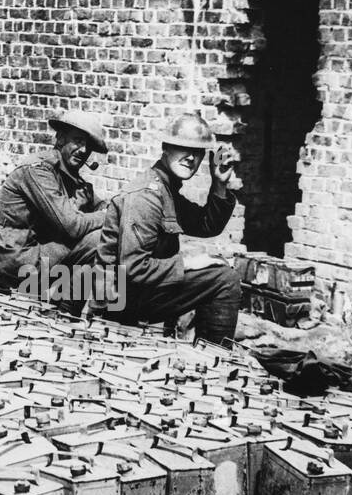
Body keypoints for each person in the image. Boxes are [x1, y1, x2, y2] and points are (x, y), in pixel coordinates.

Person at [95, 113, 242, 345]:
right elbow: (132, 269)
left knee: (220, 276)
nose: (191, 158)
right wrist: (189, 263)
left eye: (198, 151)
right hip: (117, 301)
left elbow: (206, 225)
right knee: (224, 279)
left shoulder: (166, 191)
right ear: (166, 147)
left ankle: (206, 355)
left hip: (137, 293)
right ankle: (216, 360)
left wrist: (219, 183)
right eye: (183, 148)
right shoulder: (147, 196)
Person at [0, 109, 108, 296]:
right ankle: (67, 310)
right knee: (95, 240)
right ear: (60, 138)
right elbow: (73, 226)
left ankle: (60, 303)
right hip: (14, 263)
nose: (84, 151)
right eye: (78, 141)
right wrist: (104, 216)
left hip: (32, 257)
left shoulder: (68, 175)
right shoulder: (39, 171)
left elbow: (100, 204)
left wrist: (105, 209)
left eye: (89, 146)